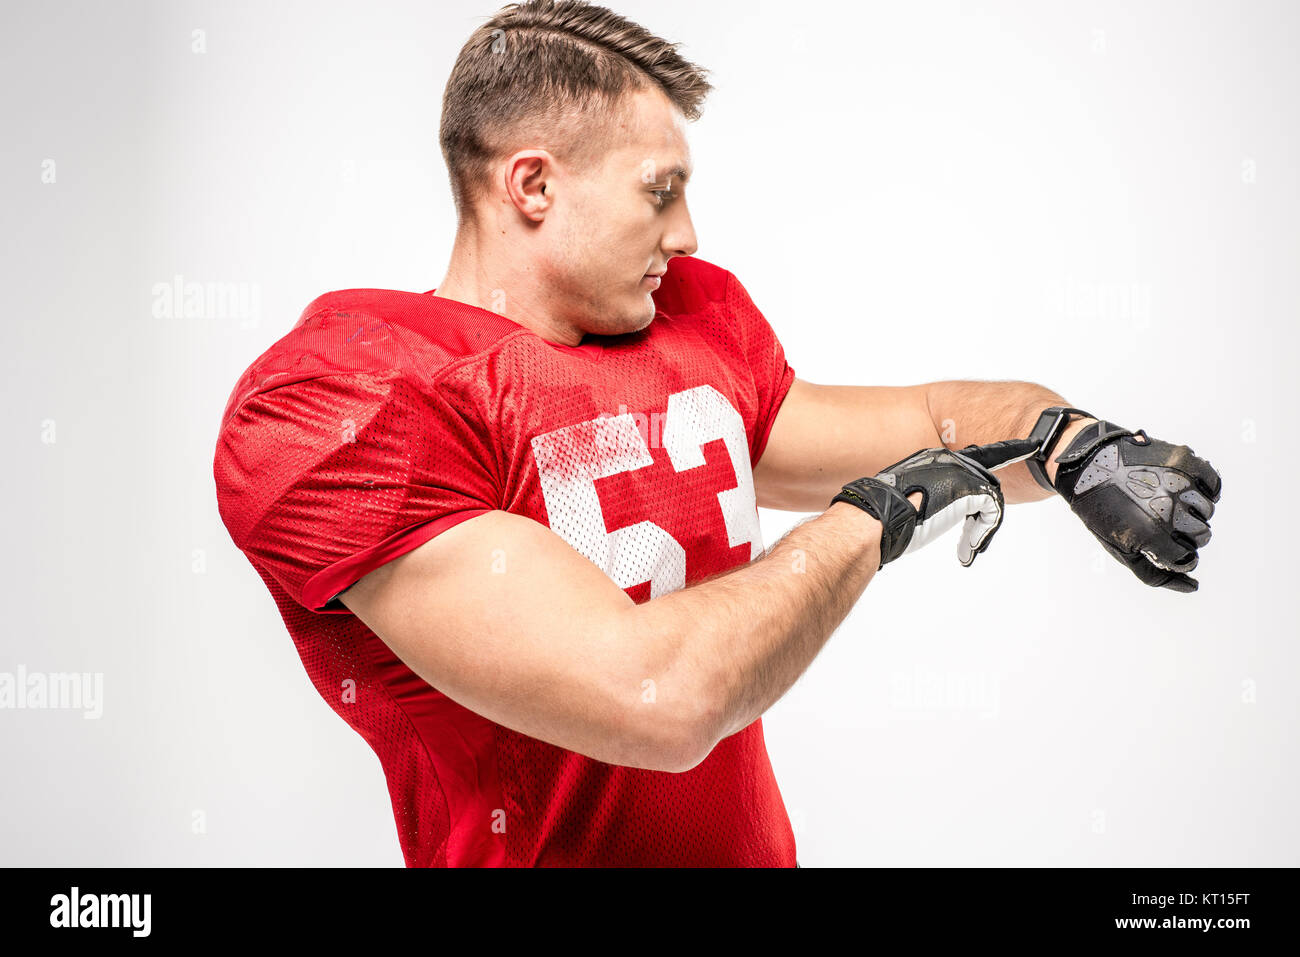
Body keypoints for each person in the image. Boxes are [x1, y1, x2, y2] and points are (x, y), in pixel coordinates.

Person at [212, 0, 1221, 867]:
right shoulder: (344, 398)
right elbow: (656, 696)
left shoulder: (689, 318)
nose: (688, 232)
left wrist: (1076, 446)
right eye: (659, 190)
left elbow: (928, 421)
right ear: (531, 186)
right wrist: (878, 517)